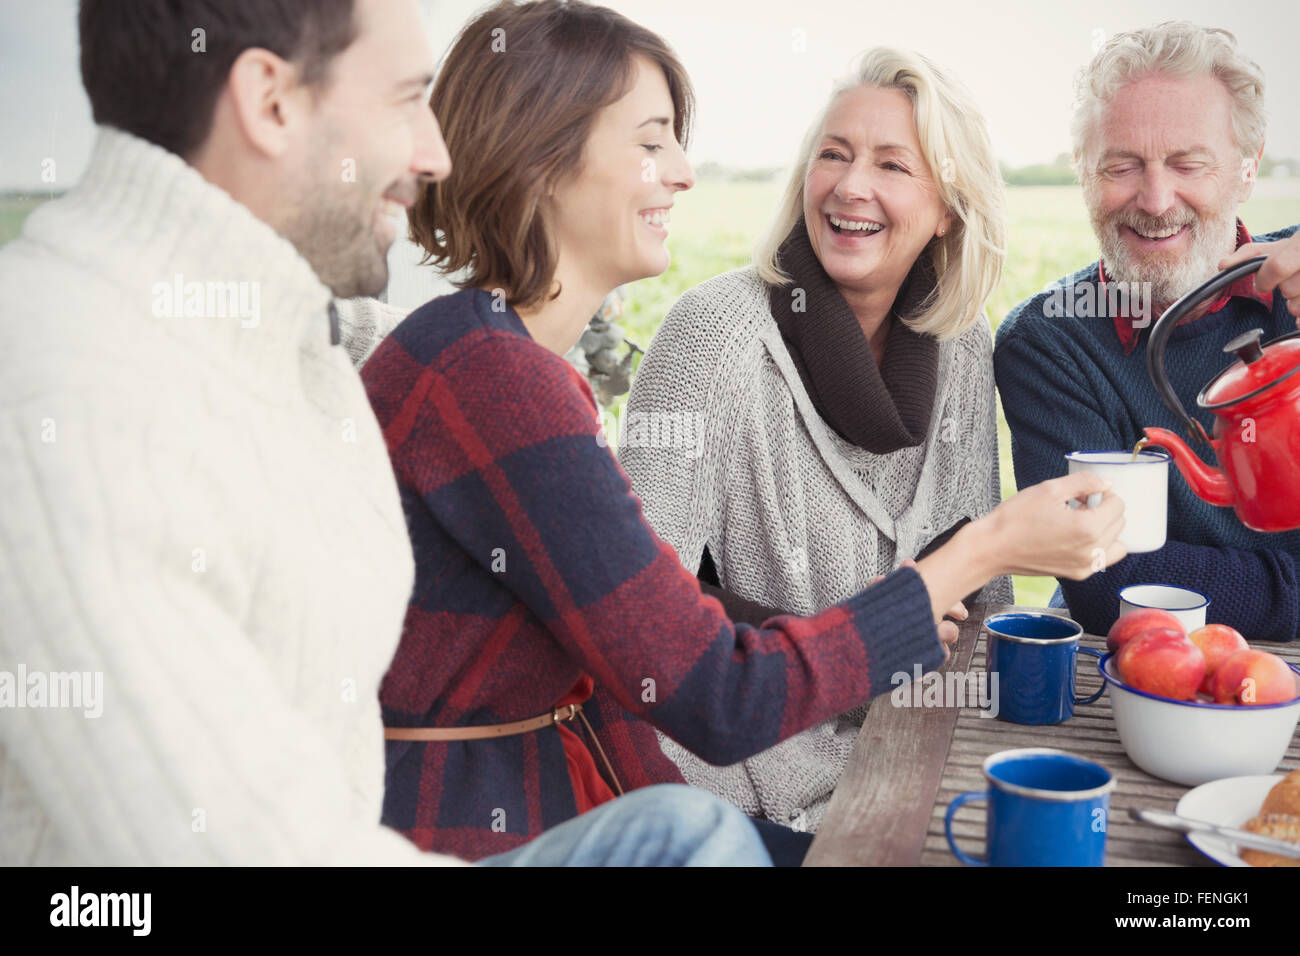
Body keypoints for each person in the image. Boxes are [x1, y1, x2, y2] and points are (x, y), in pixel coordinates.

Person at [0, 0, 771, 868]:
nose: (436, 155)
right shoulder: (68, 382)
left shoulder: (290, 348)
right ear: (271, 102)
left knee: (688, 832)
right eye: (406, 101)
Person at [362, 0, 1127, 865]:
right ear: (544, 160)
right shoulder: (495, 379)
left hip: (585, 794)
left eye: (892, 164)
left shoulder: (508, 366)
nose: (686, 174)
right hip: (495, 824)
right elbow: (710, 692)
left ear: (950, 209)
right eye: (652, 141)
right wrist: (987, 546)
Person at [995, 21, 1300, 642]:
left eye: (1188, 163)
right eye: (1122, 166)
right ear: (1083, 172)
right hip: (1142, 677)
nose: (1157, 200)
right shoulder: (1049, 341)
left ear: (1247, 168)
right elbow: (1111, 580)